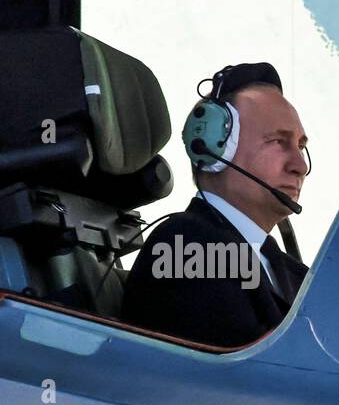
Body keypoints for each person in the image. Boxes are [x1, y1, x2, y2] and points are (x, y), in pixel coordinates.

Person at [120, 63, 310, 348]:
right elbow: (252, 375)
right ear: (214, 147)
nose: (300, 165)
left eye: (300, 145)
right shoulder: (184, 249)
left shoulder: (281, 264)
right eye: (278, 142)